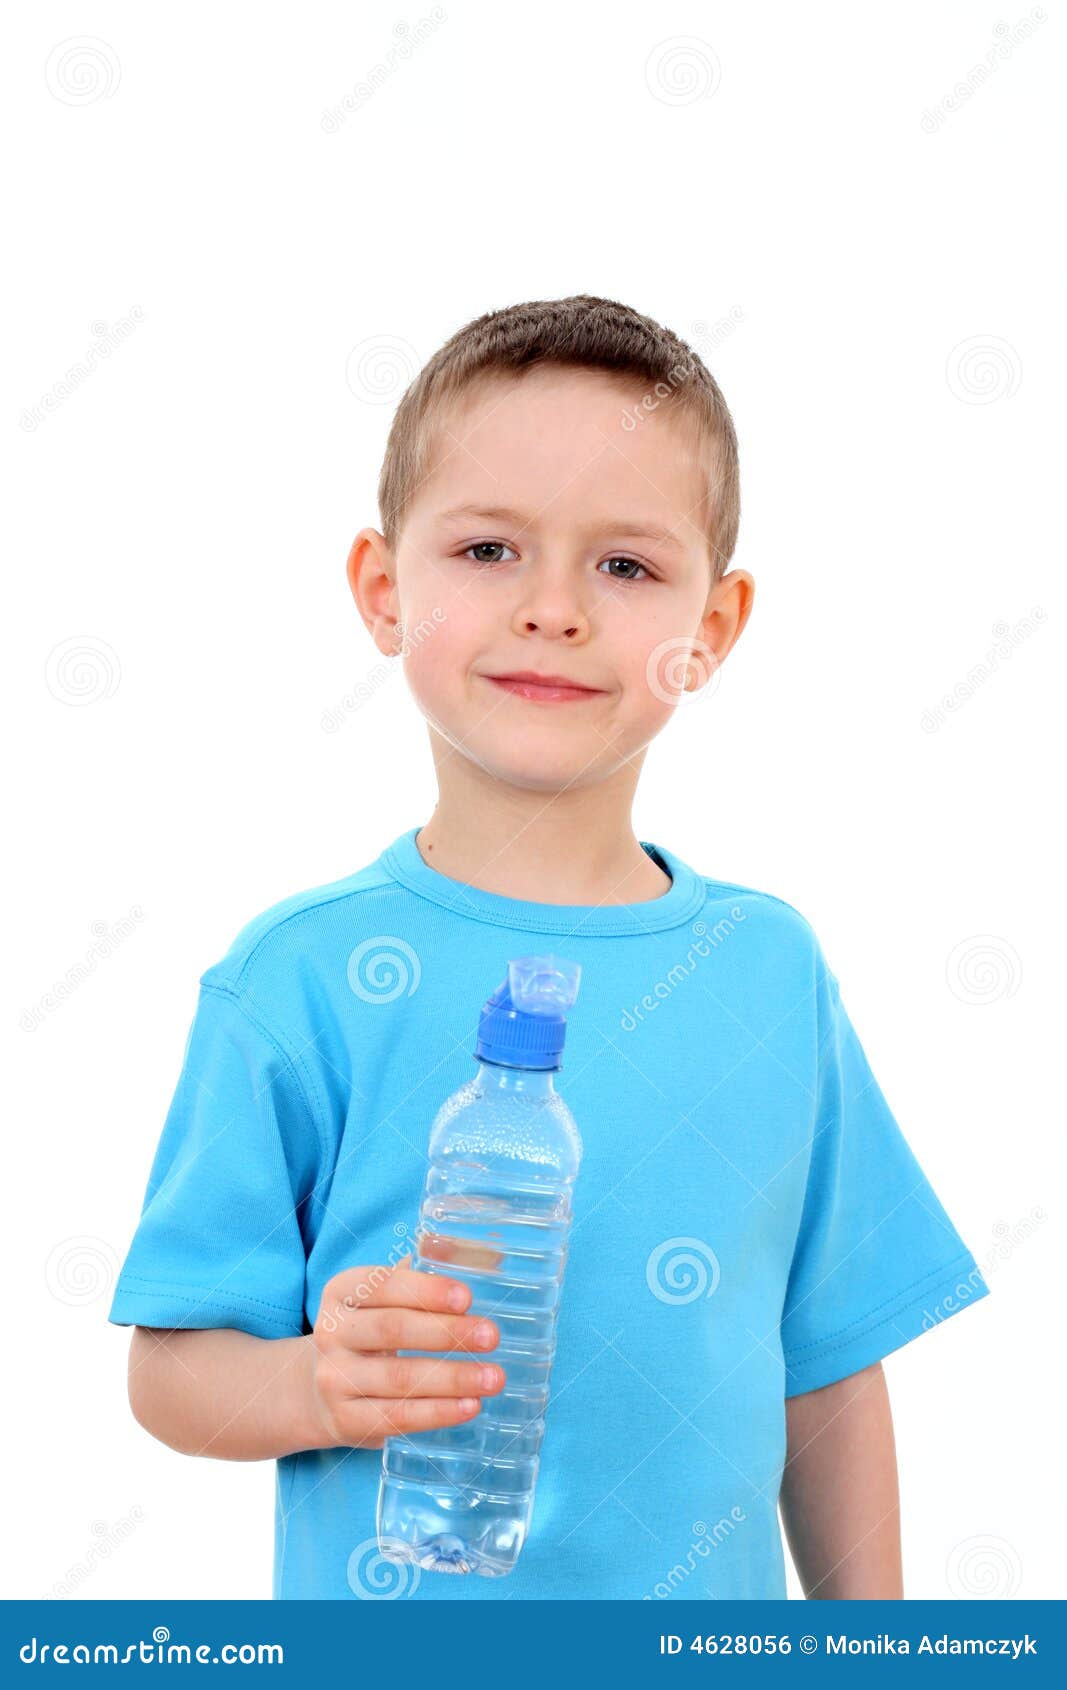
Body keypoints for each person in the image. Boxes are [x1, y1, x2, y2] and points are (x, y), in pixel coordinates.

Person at [108, 294, 990, 1600]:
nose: (555, 609)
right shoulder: (296, 980)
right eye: (486, 550)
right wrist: (312, 1381)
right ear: (382, 589)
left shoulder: (768, 970)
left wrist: (878, 1641)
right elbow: (169, 1373)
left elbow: (829, 1364)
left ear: (715, 629)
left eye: (626, 566)